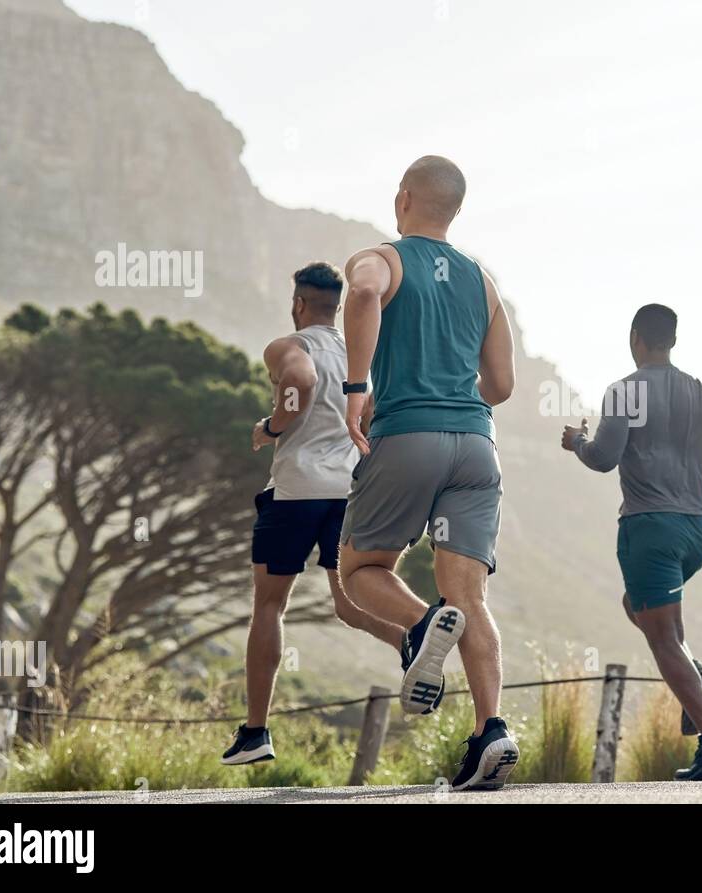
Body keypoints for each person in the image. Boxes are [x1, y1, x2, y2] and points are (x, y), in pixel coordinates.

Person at [338, 156, 520, 791]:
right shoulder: (484, 281)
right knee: (469, 597)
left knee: (361, 570)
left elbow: (361, 294)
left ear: (404, 198)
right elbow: (501, 384)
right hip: (476, 444)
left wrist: (357, 387)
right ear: (456, 209)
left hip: (405, 435)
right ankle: (491, 730)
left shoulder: (383, 259)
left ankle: (420, 630)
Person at [561, 303, 702, 781]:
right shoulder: (701, 391)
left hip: (649, 529)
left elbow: (604, 458)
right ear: (672, 340)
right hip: (697, 531)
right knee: (639, 606)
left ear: (635, 338)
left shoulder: (625, 392)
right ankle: (698, 675)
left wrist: (576, 442)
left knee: (661, 636)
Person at [223, 262, 407, 766]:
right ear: (339, 307)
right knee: (348, 603)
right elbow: (369, 415)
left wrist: (273, 426)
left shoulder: (287, 347)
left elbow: (299, 381)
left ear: (299, 303)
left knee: (269, 607)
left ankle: (256, 731)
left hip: (296, 490)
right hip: (347, 492)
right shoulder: (357, 353)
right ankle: (409, 639)